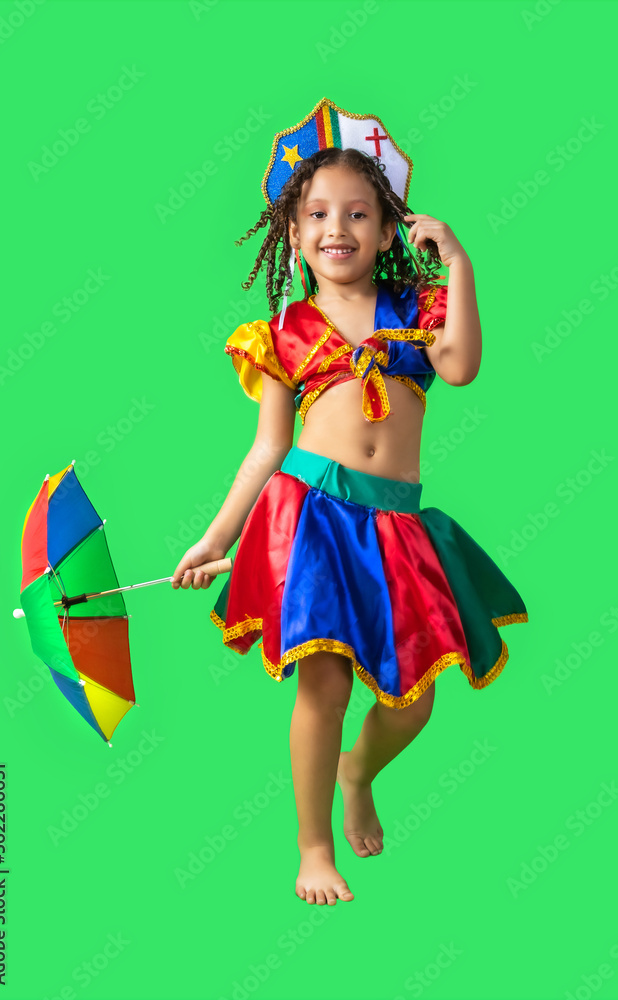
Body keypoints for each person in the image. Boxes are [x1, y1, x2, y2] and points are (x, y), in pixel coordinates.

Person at [170, 100, 528, 906]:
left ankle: (356, 770)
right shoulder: (283, 334)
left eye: (360, 213)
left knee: (415, 700)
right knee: (323, 685)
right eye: (319, 214)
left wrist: (458, 261)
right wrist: (215, 537)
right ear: (293, 234)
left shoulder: (417, 314)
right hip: (314, 522)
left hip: (397, 527)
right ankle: (312, 845)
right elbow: (266, 450)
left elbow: (463, 367)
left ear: (389, 228)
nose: (339, 227)